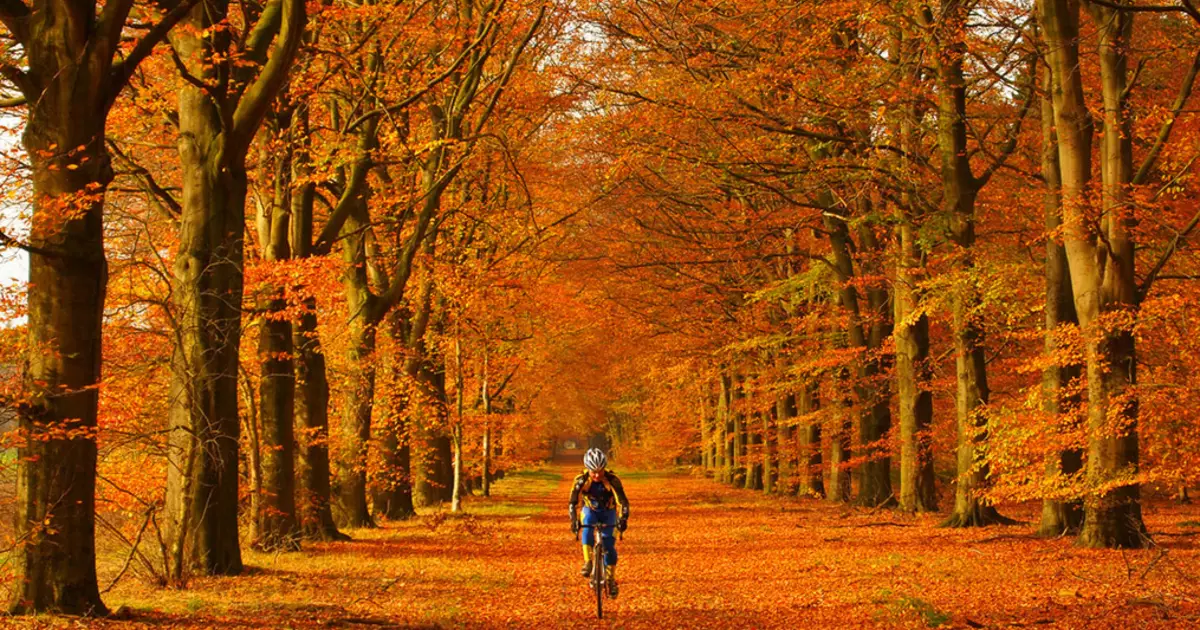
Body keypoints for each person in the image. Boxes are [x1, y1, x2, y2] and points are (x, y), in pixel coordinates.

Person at [568, 448, 629, 598]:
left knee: (609, 544)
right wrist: (574, 520)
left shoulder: (613, 480)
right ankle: (588, 562)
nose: (597, 475)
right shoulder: (581, 480)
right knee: (587, 525)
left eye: (600, 471)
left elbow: (623, 502)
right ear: (587, 469)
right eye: (593, 471)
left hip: (609, 512)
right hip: (591, 510)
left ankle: (610, 579)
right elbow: (573, 502)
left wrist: (623, 519)